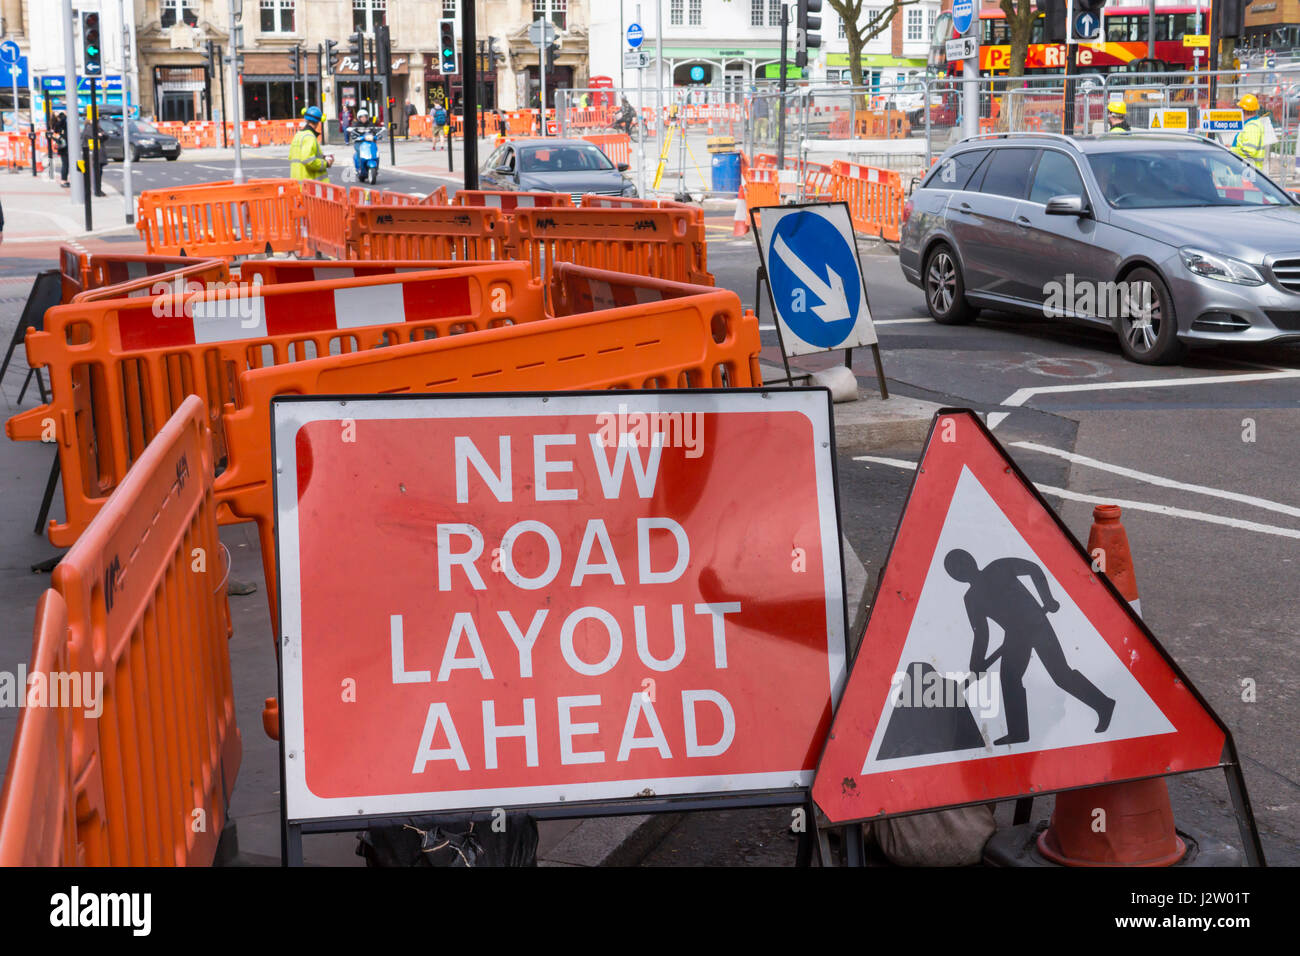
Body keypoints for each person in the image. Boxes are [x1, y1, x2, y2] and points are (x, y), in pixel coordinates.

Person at [944, 549, 1115, 746]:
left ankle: (1103, 704)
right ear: (955, 577)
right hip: (1015, 636)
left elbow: (1033, 569)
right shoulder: (971, 598)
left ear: (971, 559)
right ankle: (1018, 733)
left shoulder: (998, 567)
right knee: (1009, 679)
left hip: (1036, 624)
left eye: (961, 563)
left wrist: (1047, 599)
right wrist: (976, 664)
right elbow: (981, 634)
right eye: (955, 570)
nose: (960, 570)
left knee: (1061, 675)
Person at [289, 105, 333, 181]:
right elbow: (308, 160)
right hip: (308, 184)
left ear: (306, 119)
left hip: (296, 183)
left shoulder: (298, 135)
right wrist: (326, 163)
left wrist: (322, 157)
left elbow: (293, 156)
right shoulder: (309, 137)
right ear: (318, 122)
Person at [1231, 93, 1269, 166]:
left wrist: (1231, 149)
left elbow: (1249, 151)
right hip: (1248, 169)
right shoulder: (1251, 124)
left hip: (1248, 171)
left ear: (1243, 110)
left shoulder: (1252, 127)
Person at [52, 112, 69, 187]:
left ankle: (65, 180)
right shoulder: (57, 125)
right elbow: (63, 120)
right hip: (63, 148)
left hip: (63, 147)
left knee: (66, 164)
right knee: (65, 164)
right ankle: (63, 181)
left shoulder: (58, 124)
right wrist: (63, 114)